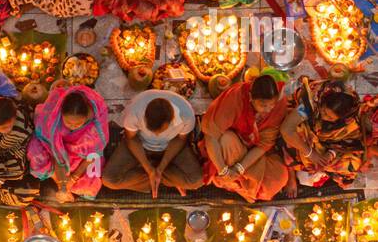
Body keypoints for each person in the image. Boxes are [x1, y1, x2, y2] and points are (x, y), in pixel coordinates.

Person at [201, 73, 290, 201]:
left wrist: (240, 168)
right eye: (263, 105)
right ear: (250, 97)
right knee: (226, 139)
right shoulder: (235, 98)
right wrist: (223, 171)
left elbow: (264, 145)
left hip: (254, 153)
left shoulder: (279, 103)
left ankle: (237, 182)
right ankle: (235, 181)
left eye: (271, 105)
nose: (268, 110)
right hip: (234, 146)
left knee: (279, 178)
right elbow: (211, 135)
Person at [102, 89, 202, 196]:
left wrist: (161, 168)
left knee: (196, 181)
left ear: (172, 119)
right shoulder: (134, 111)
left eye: (161, 131)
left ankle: (155, 177)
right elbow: (131, 138)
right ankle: (162, 179)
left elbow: (180, 140)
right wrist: (149, 169)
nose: (157, 136)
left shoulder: (186, 115)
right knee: (109, 179)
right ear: (144, 116)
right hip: (140, 145)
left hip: (171, 146)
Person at [282, 81, 368, 191]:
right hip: (308, 136)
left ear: (341, 118)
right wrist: (310, 154)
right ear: (323, 103)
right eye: (323, 111)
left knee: (352, 165)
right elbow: (286, 129)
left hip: (330, 147)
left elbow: (347, 142)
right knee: (291, 139)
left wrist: (330, 154)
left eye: (330, 117)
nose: (323, 116)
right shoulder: (314, 102)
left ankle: (320, 167)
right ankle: (312, 167)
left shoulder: (350, 121)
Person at [28, 85, 108, 202]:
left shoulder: (95, 125)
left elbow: (92, 155)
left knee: (92, 173)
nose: (72, 126)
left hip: (81, 153)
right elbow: (54, 150)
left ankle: (65, 185)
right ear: (61, 113)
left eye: (77, 124)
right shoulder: (53, 117)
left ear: (86, 117)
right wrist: (62, 184)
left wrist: (73, 178)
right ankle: (61, 185)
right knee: (36, 152)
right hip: (55, 148)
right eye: (68, 122)